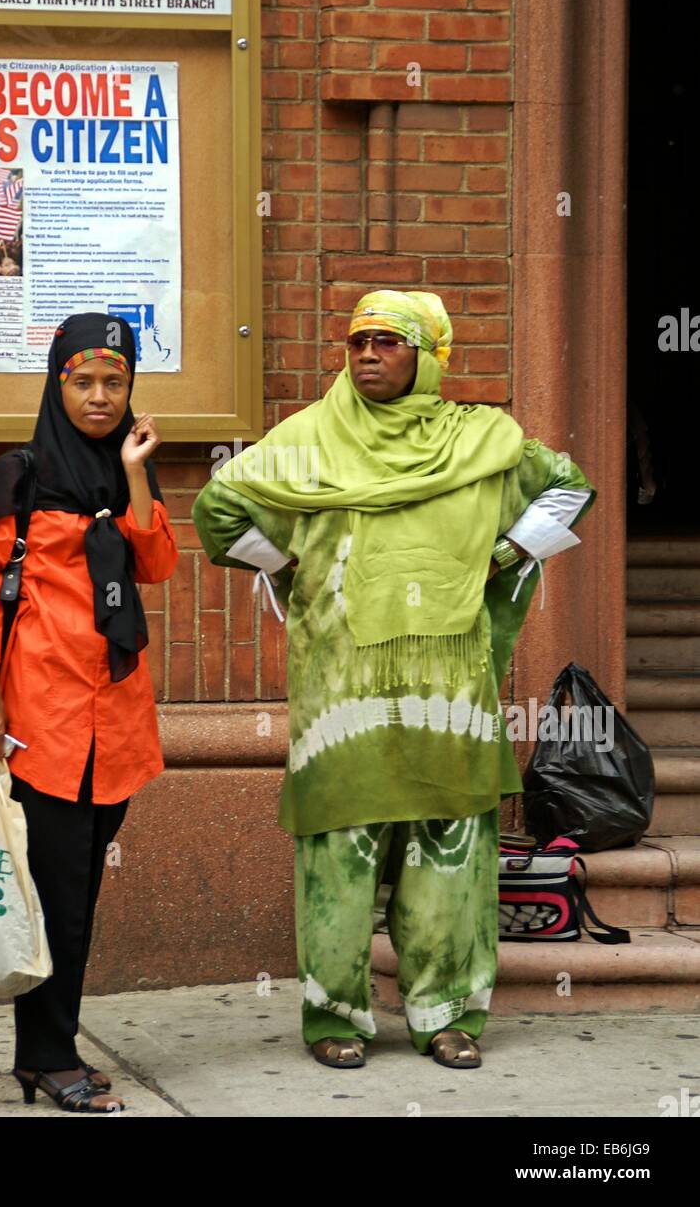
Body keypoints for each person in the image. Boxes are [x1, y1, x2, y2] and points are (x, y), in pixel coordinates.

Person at [192, 290, 595, 1071]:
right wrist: (296, 570)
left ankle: (448, 1015)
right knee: (338, 851)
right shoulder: (308, 440)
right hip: (342, 692)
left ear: (429, 356)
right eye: (357, 340)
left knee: (451, 849)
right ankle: (334, 1016)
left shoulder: (484, 440)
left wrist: (503, 556)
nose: (367, 353)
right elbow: (219, 511)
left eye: (389, 341)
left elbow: (569, 488)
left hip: (450, 690)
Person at [0, 312, 178, 1111]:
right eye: (84, 381)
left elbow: (157, 562)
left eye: (115, 381)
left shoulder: (122, 472)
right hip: (39, 712)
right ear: (58, 383)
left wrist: (138, 471)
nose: (100, 397)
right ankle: (48, 1054)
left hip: (115, 714)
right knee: (52, 892)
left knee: (76, 890)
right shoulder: (21, 473)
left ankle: (53, 1046)